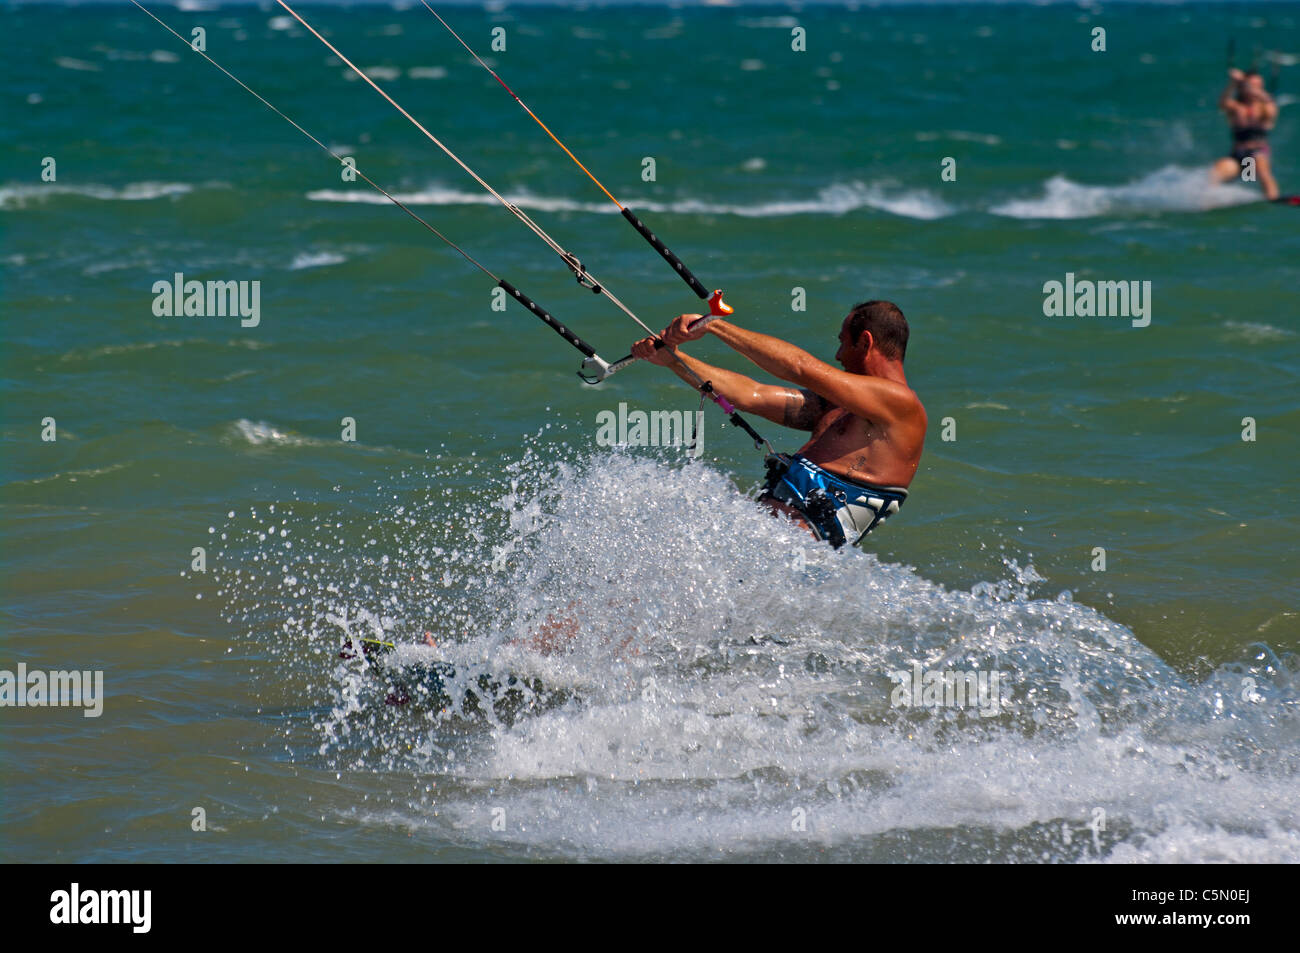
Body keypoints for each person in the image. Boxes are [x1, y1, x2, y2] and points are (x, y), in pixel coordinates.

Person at [631, 300, 926, 548]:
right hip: (762, 549)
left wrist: (713, 325)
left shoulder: (901, 405)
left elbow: (800, 368)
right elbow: (752, 395)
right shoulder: (838, 408)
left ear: (865, 342)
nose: (838, 355)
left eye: (842, 343)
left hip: (795, 563)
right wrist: (674, 360)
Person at [1212, 68, 1281, 200]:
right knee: (1217, 171)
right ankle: (1207, 202)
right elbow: (1222, 103)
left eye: (1257, 86)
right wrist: (1233, 83)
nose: (1253, 89)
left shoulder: (1265, 107)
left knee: (1261, 168)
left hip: (1257, 154)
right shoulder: (1236, 107)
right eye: (1250, 85)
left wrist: (1255, 91)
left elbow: (1271, 109)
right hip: (1238, 157)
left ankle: (1273, 198)